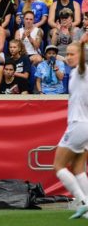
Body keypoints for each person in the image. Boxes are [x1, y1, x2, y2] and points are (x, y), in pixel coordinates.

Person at [51, 39, 88, 218]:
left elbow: (81, 63)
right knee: (79, 168)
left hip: (78, 125)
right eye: (68, 54)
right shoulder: (74, 73)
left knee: (58, 165)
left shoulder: (83, 71)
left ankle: (82, 202)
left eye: (73, 54)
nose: (69, 57)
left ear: (82, 56)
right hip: (84, 126)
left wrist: (81, 44)